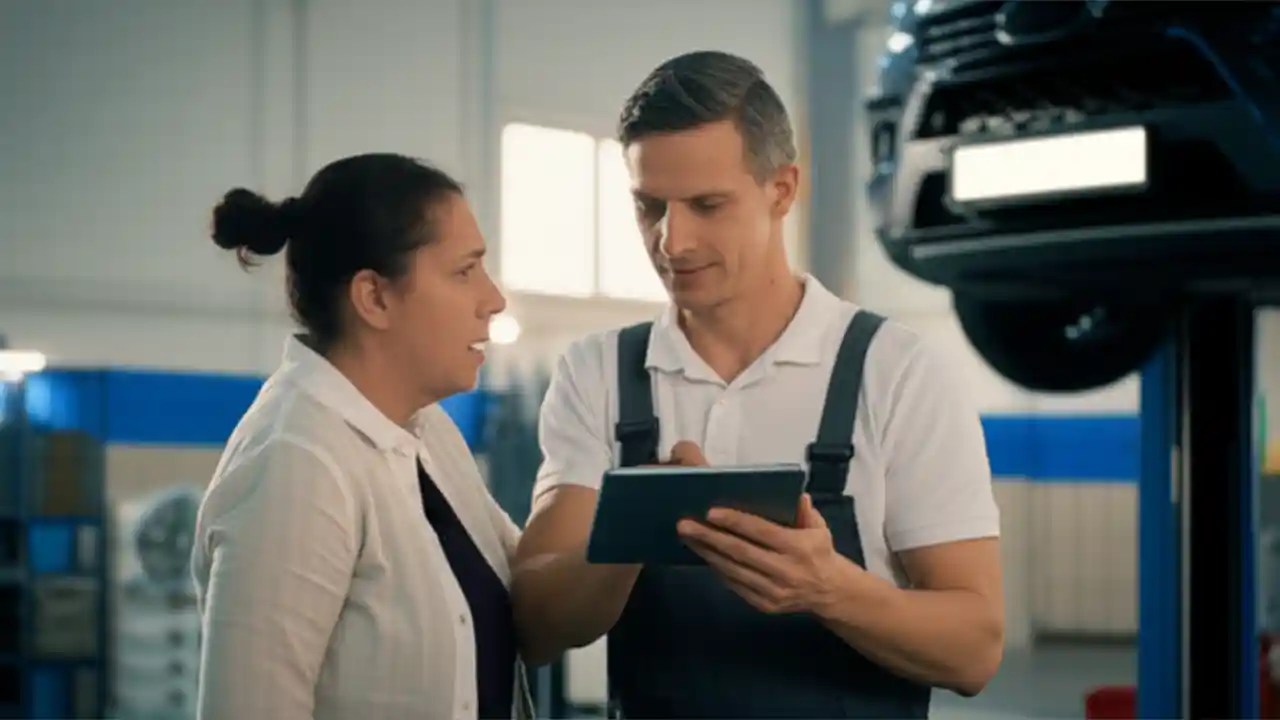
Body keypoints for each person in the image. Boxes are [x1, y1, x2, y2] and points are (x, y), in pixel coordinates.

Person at [511, 51, 1004, 718]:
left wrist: (828, 589)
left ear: (782, 189)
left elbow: (974, 651)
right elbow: (538, 623)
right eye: (648, 206)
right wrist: (634, 526)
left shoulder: (897, 372)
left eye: (707, 205)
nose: (672, 241)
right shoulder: (599, 372)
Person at [191, 153, 531, 720]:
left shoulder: (426, 430)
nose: (493, 299)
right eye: (464, 271)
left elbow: (530, 589)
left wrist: (638, 509)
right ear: (374, 297)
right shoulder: (296, 465)